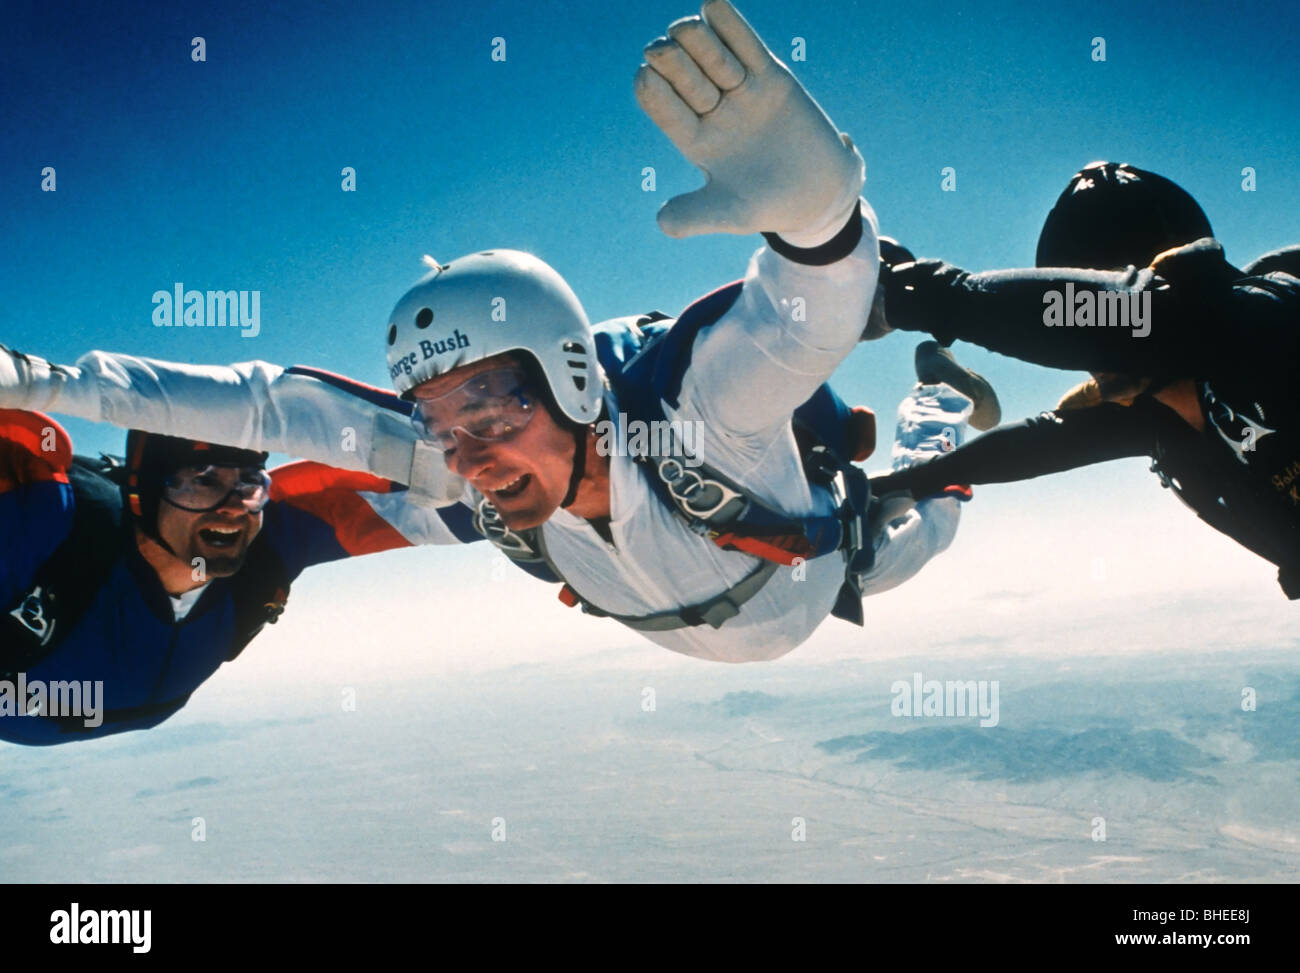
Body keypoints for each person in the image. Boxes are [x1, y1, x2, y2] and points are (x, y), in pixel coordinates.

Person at [0, 1, 998, 664]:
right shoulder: (463, 472)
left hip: (812, 578)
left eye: (489, 402)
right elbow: (274, 408)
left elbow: (797, 320)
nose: (466, 449)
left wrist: (822, 219)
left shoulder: (694, 417)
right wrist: (36, 381)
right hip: (699, 605)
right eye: (438, 418)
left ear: (571, 380)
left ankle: (941, 408)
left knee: (918, 525)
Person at [873, 161, 1300, 596]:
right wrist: (904, 484)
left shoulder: (1271, 319)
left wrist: (908, 295)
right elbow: (1042, 444)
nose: (1091, 357)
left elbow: (1135, 317)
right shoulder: (1161, 418)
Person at [0, 411, 432, 745]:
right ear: (141, 496)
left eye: (248, 482)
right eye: (201, 481)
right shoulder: (48, 522)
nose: (233, 505)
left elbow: (453, 491)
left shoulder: (272, 545)